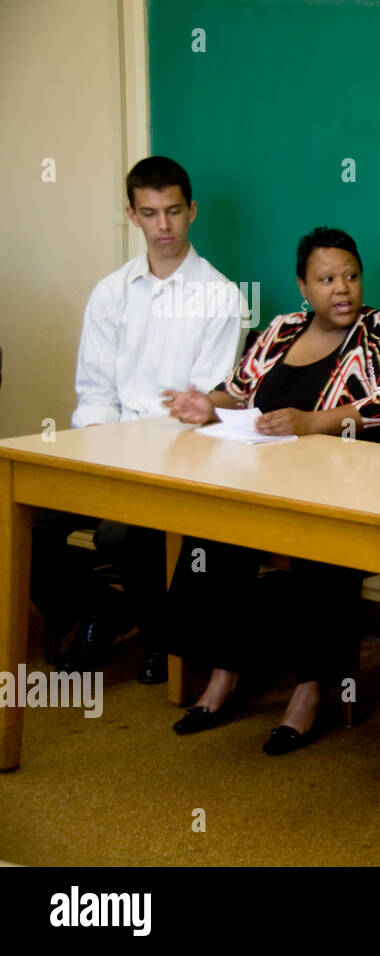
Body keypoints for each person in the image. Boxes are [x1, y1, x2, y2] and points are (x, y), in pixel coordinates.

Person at [163, 226, 380, 754]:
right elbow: (240, 392)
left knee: (322, 549)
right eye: (326, 279)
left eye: (351, 276)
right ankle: (224, 672)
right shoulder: (282, 330)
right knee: (214, 533)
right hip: (273, 480)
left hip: (368, 487)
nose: (342, 289)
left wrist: (310, 422)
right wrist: (207, 406)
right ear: (302, 287)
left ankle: (311, 690)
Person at [30, 156, 243, 683]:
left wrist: (136, 461)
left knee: (119, 537)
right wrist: (101, 456)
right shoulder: (111, 293)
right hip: (113, 449)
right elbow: (95, 394)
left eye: (173, 211)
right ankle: (107, 608)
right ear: (132, 215)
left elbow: (203, 409)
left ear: (192, 211)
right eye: (150, 213)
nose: (163, 226)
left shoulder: (222, 297)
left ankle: (159, 633)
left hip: (183, 458)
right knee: (28, 520)